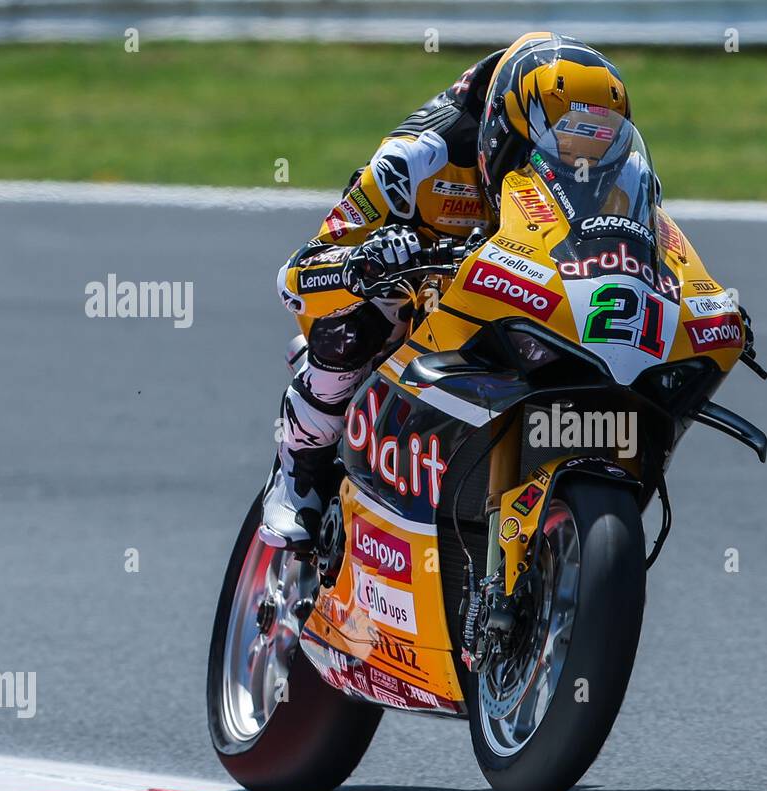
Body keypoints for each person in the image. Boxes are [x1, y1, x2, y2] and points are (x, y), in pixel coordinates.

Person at [260, 32, 632, 549]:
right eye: (559, 152)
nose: (576, 170)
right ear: (504, 135)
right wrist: (368, 263)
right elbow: (297, 276)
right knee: (359, 319)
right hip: (420, 309)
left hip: (519, 306)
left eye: (592, 152)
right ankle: (300, 471)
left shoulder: (610, 181)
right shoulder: (418, 158)